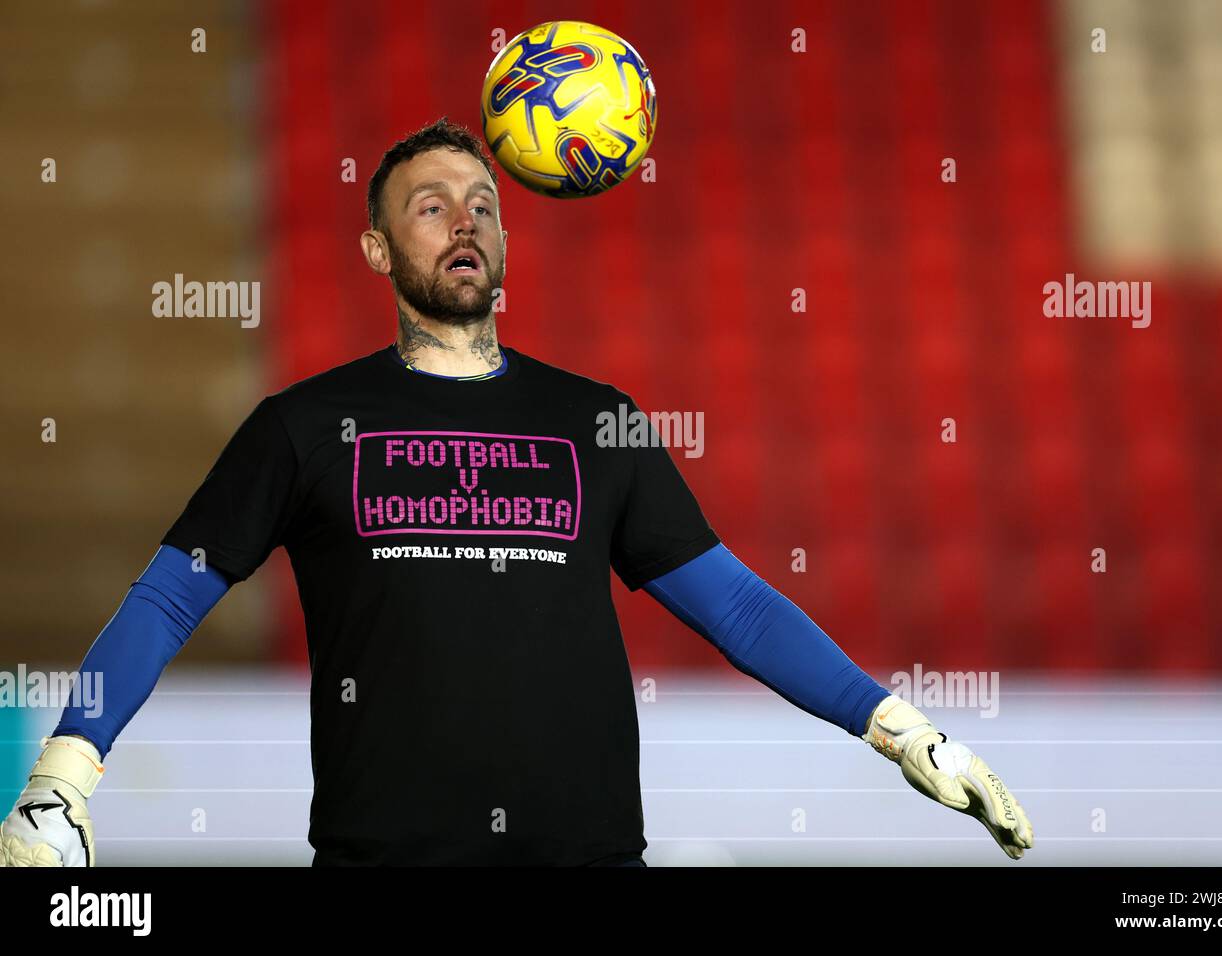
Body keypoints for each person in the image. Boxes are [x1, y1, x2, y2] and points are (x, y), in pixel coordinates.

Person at [0, 118, 1032, 867]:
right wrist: (63, 778)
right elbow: (170, 592)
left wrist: (903, 730)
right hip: (382, 854)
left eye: (484, 204)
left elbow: (737, 603)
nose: (465, 221)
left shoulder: (597, 419)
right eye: (430, 204)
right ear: (375, 248)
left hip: (585, 852)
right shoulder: (302, 424)